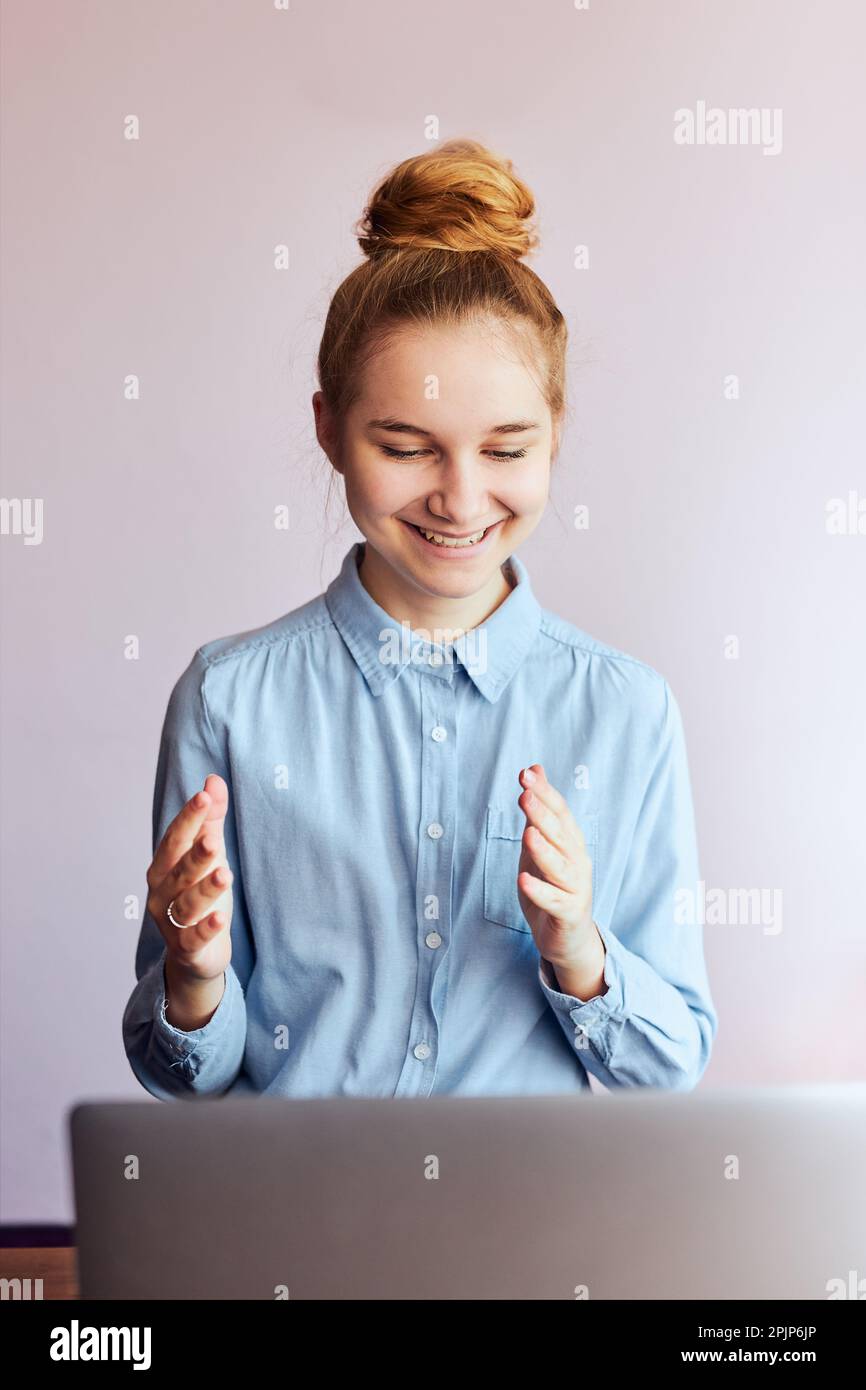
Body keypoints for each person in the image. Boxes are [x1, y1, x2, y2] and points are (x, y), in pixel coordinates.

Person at [123, 137, 717, 1101]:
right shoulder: (228, 699)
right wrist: (192, 980)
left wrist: (579, 950)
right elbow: (180, 1076)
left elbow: (668, 1062)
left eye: (507, 447)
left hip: (530, 1239)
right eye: (406, 446)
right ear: (330, 430)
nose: (461, 496)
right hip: (297, 1233)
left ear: (556, 431)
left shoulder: (627, 711)